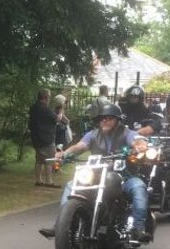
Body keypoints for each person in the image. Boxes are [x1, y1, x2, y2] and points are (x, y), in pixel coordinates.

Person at [38, 103, 150, 241]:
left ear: (117, 120)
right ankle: (60, 225)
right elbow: (79, 146)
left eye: (109, 118)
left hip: (123, 176)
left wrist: (140, 146)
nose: (104, 121)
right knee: (71, 185)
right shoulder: (93, 135)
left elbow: (138, 141)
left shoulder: (127, 133)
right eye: (102, 118)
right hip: (97, 176)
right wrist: (64, 154)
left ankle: (138, 228)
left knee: (139, 187)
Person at [28, 88, 59, 187]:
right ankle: (49, 181)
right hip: (46, 138)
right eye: (49, 96)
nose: (50, 99)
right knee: (49, 160)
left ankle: (38, 180)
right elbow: (56, 119)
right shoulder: (45, 109)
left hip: (36, 138)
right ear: (45, 97)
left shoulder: (33, 107)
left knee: (39, 160)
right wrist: (61, 113)